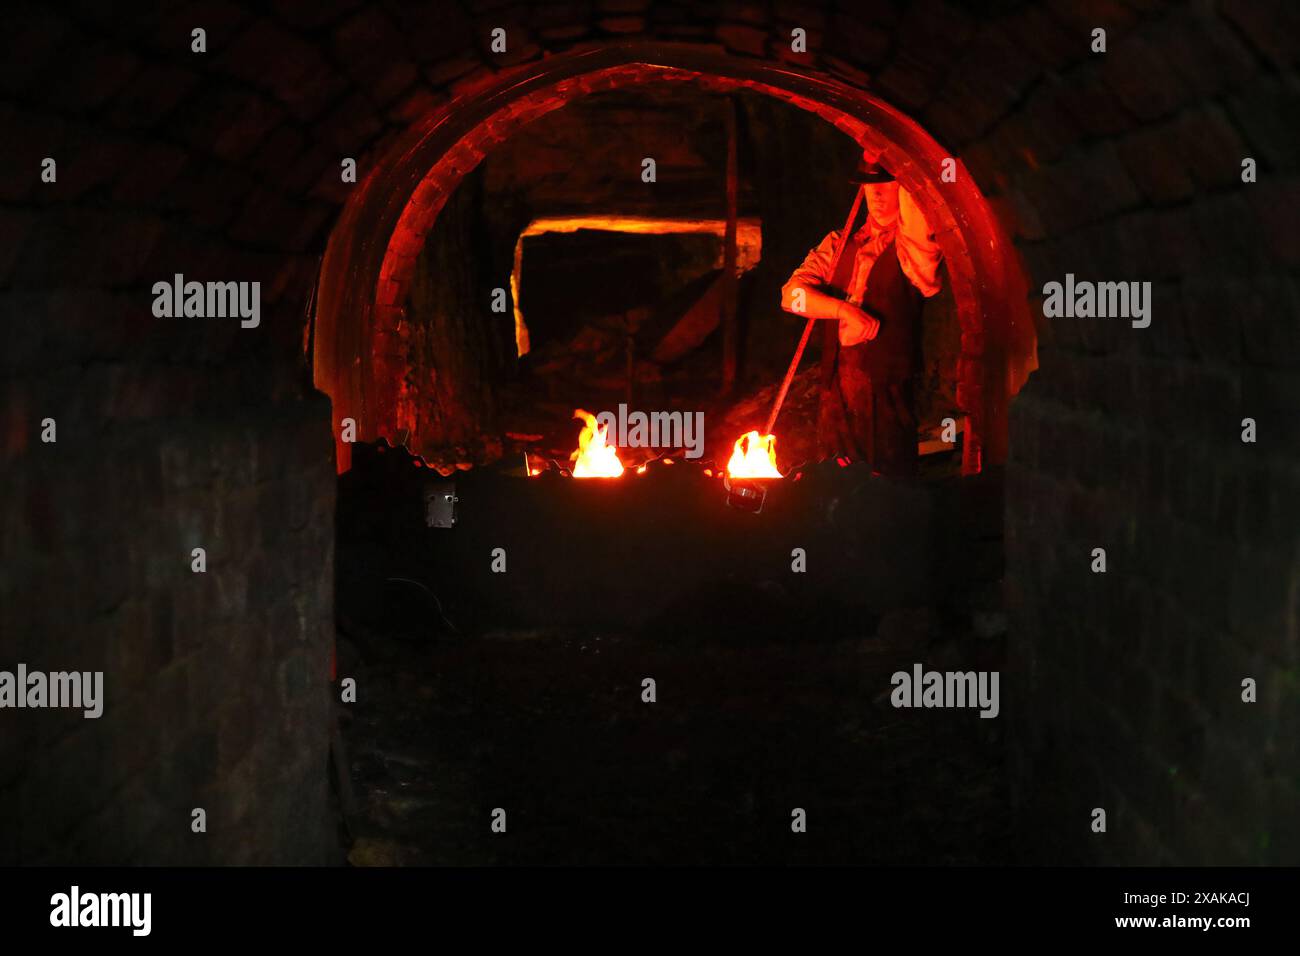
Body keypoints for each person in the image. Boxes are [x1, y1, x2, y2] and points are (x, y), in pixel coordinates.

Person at [780, 152, 943, 477]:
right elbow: (791, 297)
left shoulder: (913, 250)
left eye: (886, 186)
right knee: (832, 483)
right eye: (870, 187)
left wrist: (896, 154)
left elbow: (917, 207)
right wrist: (842, 309)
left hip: (886, 395)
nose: (877, 196)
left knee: (885, 491)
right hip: (836, 393)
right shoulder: (839, 244)